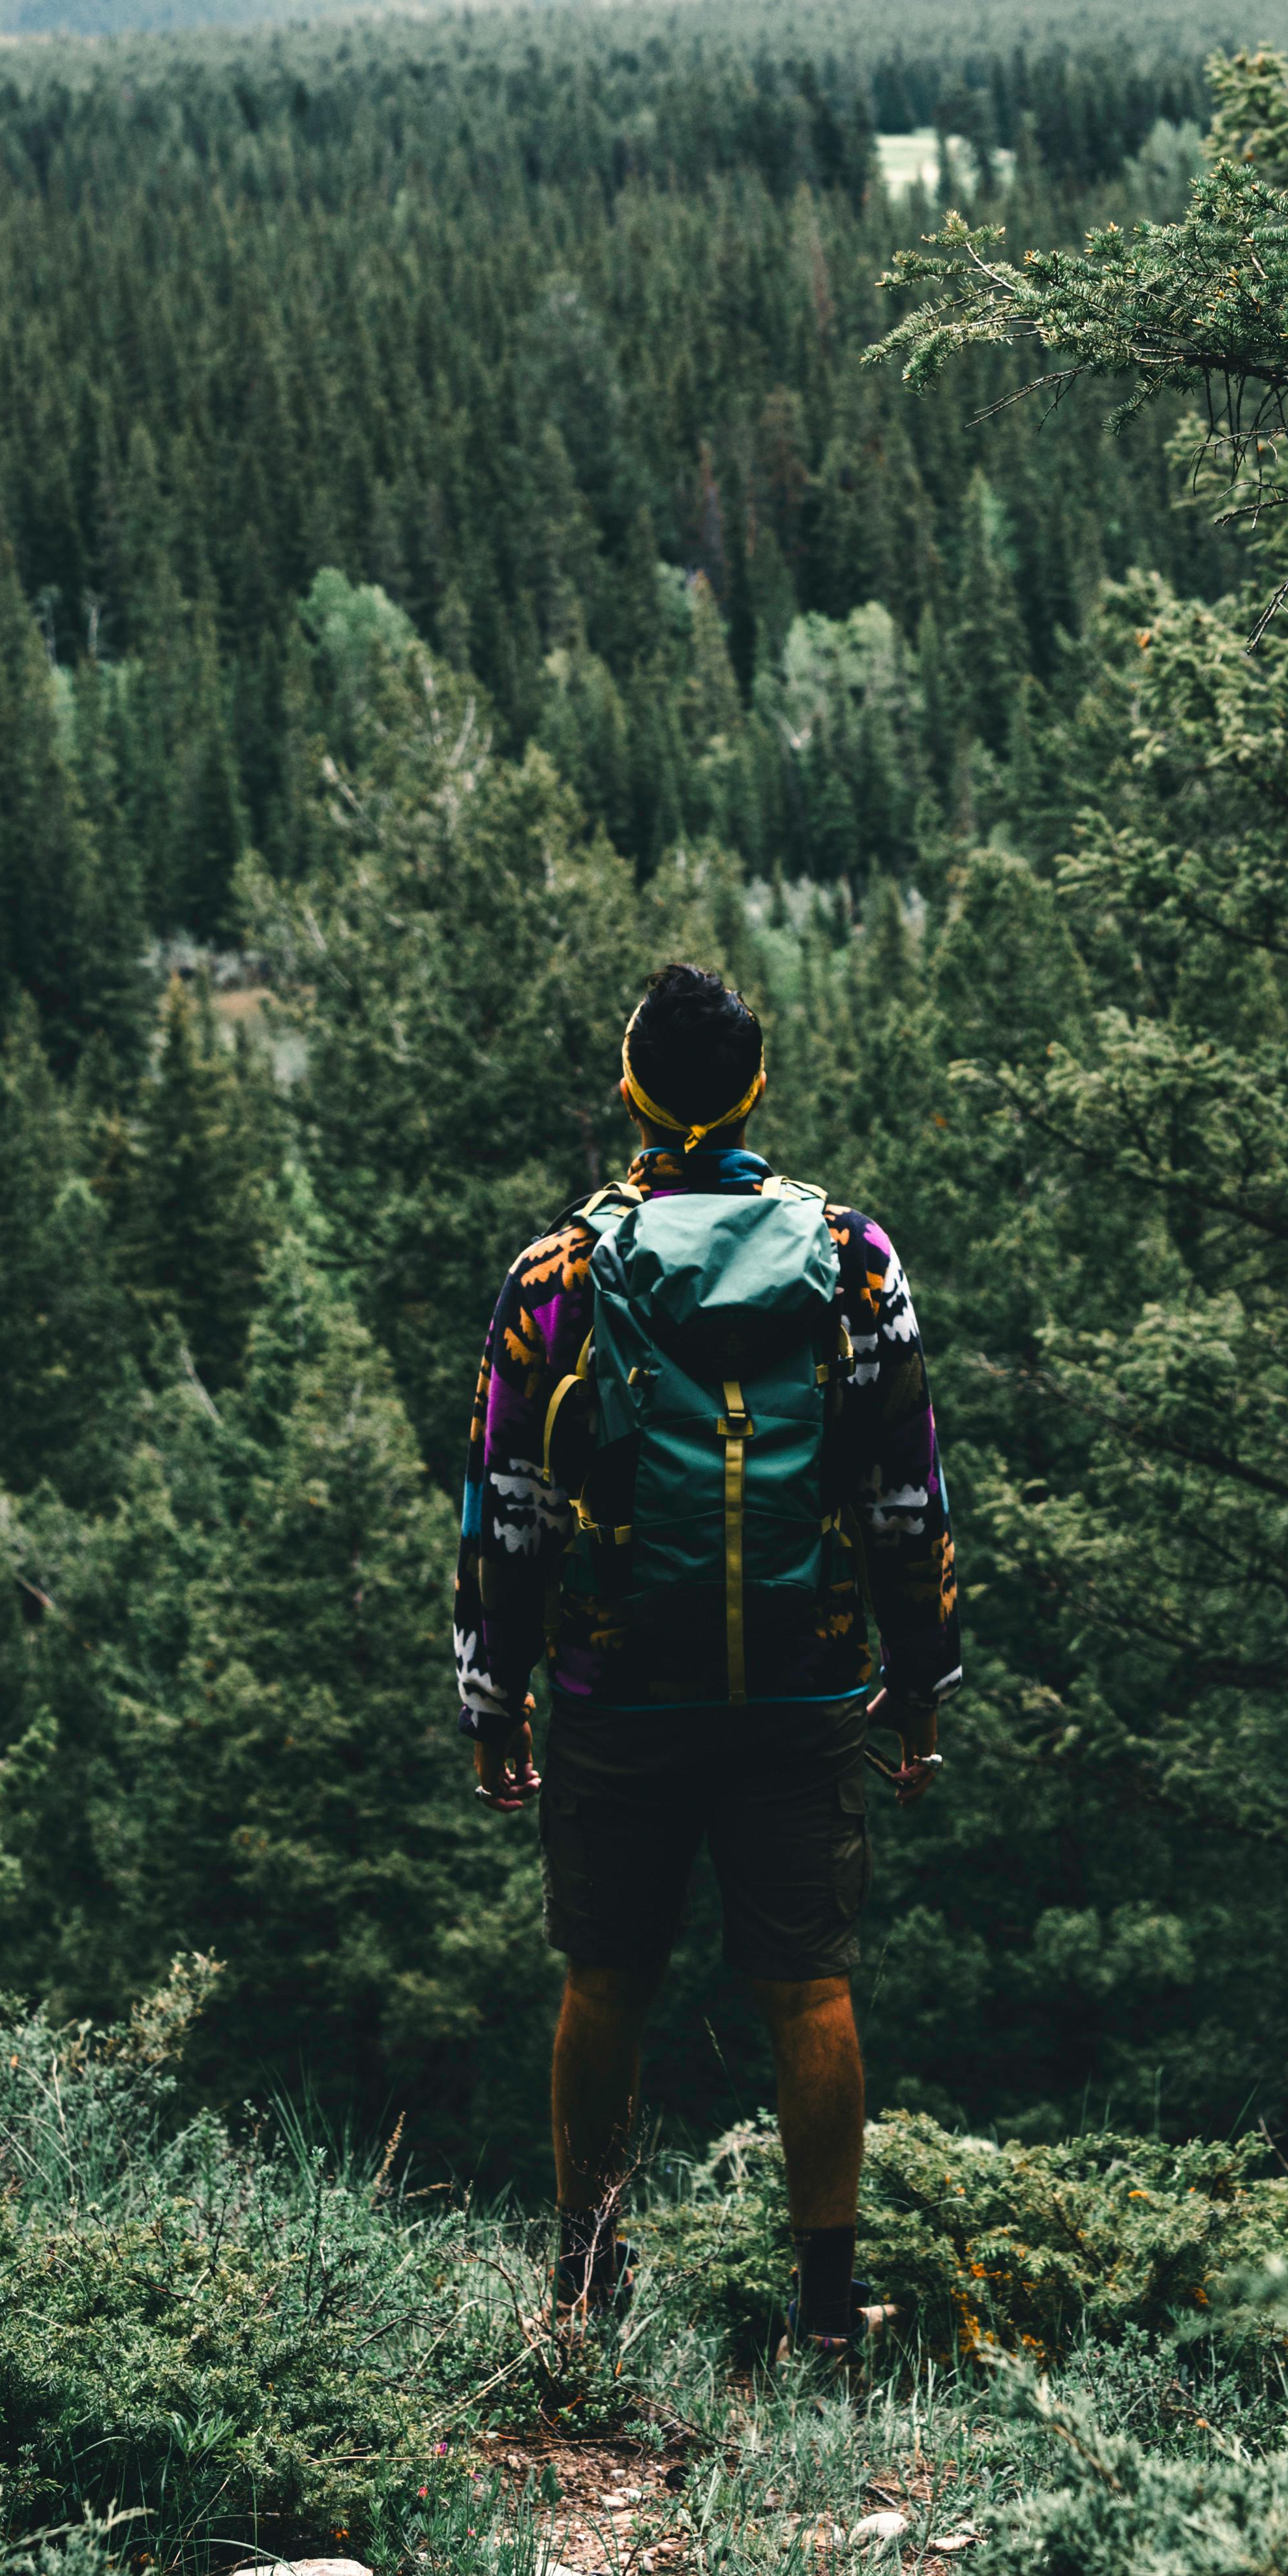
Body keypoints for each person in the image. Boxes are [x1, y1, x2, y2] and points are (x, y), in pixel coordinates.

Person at [453, 957, 955, 2361]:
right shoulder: (853, 1259)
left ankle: (586, 2288)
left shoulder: (555, 1272)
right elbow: (904, 1494)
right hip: (802, 1677)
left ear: (629, 1085)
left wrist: (494, 1697)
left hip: (621, 1682)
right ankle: (824, 2313)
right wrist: (917, 1683)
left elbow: (507, 1500)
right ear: (753, 1087)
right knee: (809, 1984)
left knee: (604, 1978)